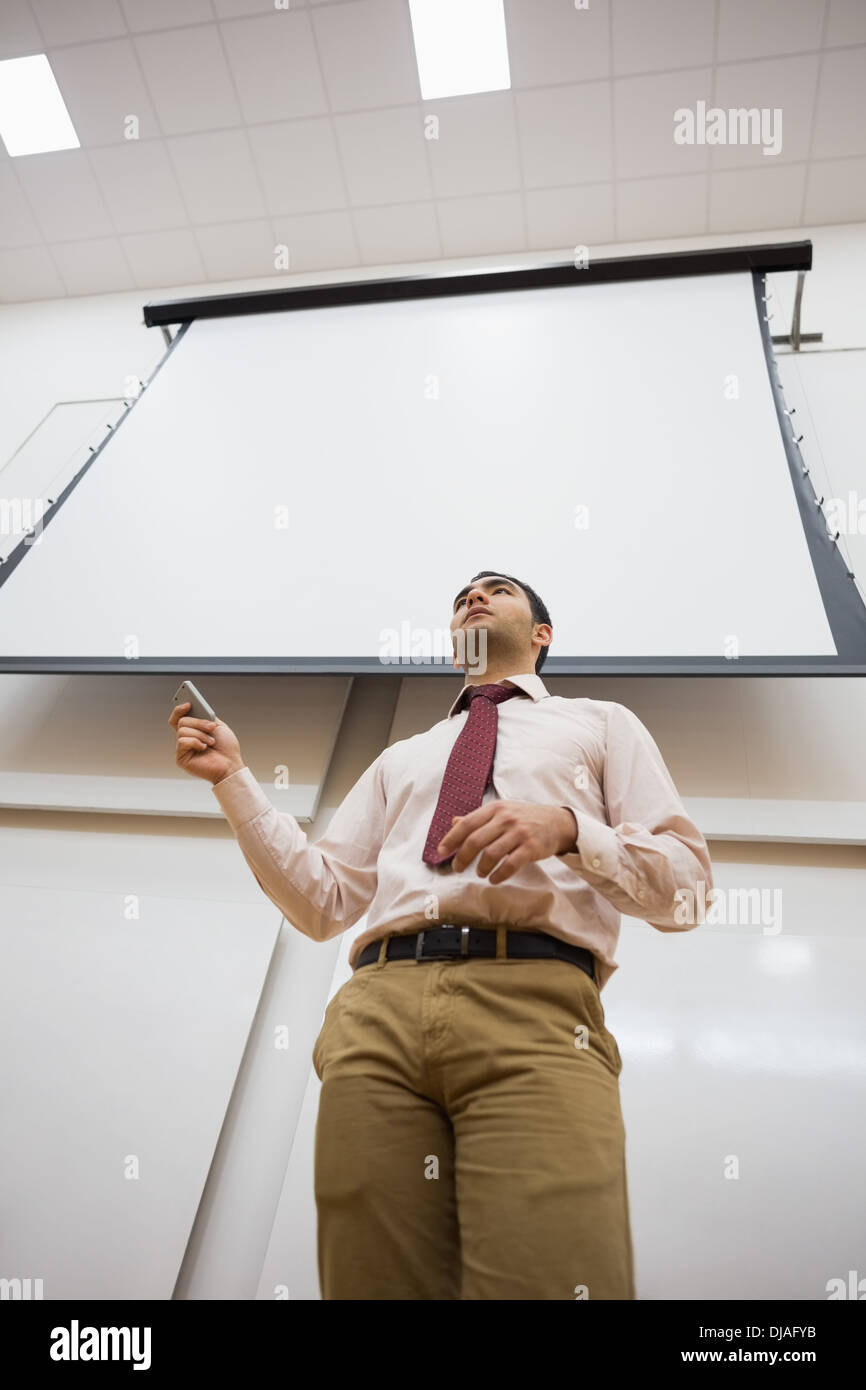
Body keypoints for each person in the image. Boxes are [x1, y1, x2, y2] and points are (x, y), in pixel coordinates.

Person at [170, 570, 713, 1300]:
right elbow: (324, 901)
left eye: (498, 590)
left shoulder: (603, 723)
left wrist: (570, 829)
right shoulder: (404, 756)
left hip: (538, 1010)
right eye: (462, 595)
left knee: (554, 1278)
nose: (474, 597)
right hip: (376, 1015)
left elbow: (687, 892)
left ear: (543, 634)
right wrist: (234, 780)